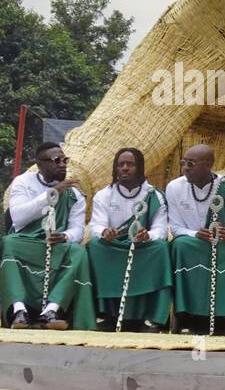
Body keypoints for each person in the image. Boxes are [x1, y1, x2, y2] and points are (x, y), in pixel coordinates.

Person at [165, 144, 225, 337]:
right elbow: (175, 228)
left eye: (191, 163)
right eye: (184, 163)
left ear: (207, 165)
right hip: (192, 243)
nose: (185, 167)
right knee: (181, 245)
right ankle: (186, 320)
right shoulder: (174, 187)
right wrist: (195, 234)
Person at [0, 142, 94, 330]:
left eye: (64, 160)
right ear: (39, 164)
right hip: (26, 241)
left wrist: (65, 236)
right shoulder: (23, 182)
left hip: (55, 244)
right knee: (7, 243)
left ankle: (51, 311)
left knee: (79, 252)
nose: (62, 164)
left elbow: (77, 229)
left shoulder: (75, 194)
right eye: (56, 160)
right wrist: (51, 193)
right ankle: (19, 311)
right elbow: (18, 217)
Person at [86, 147, 171, 332]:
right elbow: (95, 226)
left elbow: (161, 229)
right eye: (120, 164)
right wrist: (104, 232)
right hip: (113, 245)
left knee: (161, 248)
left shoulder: (154, 195)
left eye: (130, 164)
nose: (124, 168)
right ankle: (105, 314)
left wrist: (148, 235)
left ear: (140, 167)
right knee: (94, 246)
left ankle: (152, 318)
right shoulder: (104, 195)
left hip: (143, 246)